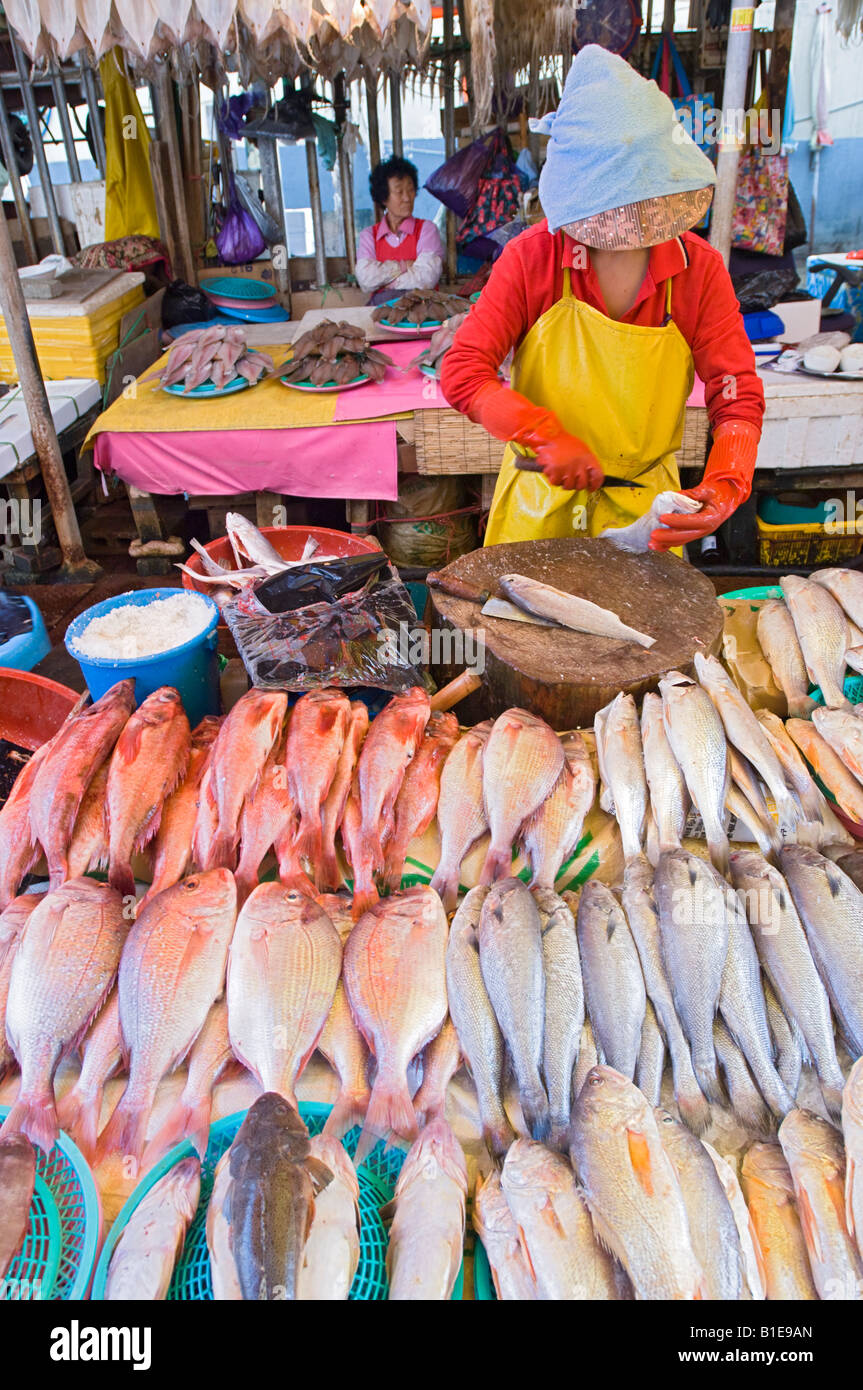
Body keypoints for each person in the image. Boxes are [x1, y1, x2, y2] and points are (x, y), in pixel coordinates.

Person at [440, 45, 764, 553]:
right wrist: (543, 435)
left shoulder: (699, 270)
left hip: (646, 512)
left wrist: (726, 484)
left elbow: (736, 391)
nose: (626, 220)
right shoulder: (532, 258)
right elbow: (463, 372)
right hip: (538, 507)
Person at [356, 155, 444, 305]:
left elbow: (426, 278)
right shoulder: (369, 235)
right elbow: (366, 279)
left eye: (410, 190)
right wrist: (403, 266)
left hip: (421, 312)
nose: (407, 198)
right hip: (381, 312)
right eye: (399, 191)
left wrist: (388, 284)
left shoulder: (427, 230)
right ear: (384, 198)